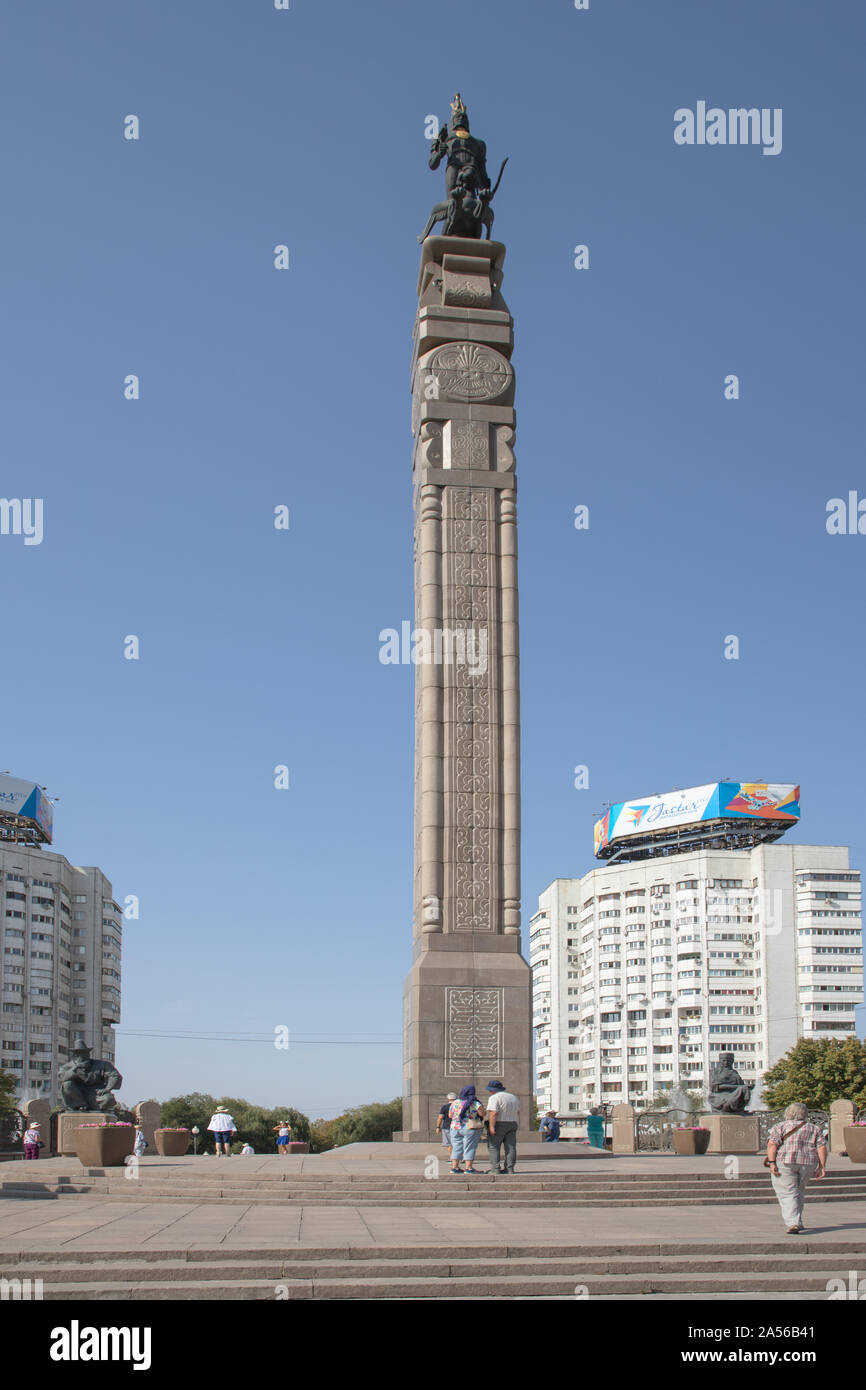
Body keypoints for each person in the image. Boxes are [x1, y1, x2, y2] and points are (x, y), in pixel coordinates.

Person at [766, 1103, 827, 1233]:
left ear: (788, 1113)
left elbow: (772, 1145)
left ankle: (793, 1222)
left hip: (785, 1161)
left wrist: (772, 1163)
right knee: (799, 1190)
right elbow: (821, 1147)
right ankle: (797, 1219)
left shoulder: (780, 1126)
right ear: (805, 1113)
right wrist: (822, 1166)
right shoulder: (814, 1128)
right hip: (808, 1162)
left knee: (787, 1192)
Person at [485, 1079, 520, 1174]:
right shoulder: (513, 1097)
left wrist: (491, 1126)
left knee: (494, 1146)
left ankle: (495, 1169)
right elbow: (518, 1112)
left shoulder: (494, 1098)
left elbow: (493, 1113)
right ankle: (509, 1168)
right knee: (510, 1147)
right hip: (512, 1122)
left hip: (499, 1123)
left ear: (493, 1090)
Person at [448, 1085, 485, 1174]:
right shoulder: (475, 1102)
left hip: (455, 1127)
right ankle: (468, 1168)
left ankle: (455, 1167)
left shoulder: (455, 1102)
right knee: (469, 1147)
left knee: (456, 1147)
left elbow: (450, 1115)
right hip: (469, 1127)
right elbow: (482, 1113)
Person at [437, 1092, 457, 1157]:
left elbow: (440, 1117)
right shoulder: (459, 1106)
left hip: (447, 1126)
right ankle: (461, 1158)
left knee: (449, 1144)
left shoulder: (445, 1107)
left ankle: (451, 1158)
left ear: (448, 1099)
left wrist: (438, 1127)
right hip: (457, 1126)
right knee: (458, 1143)